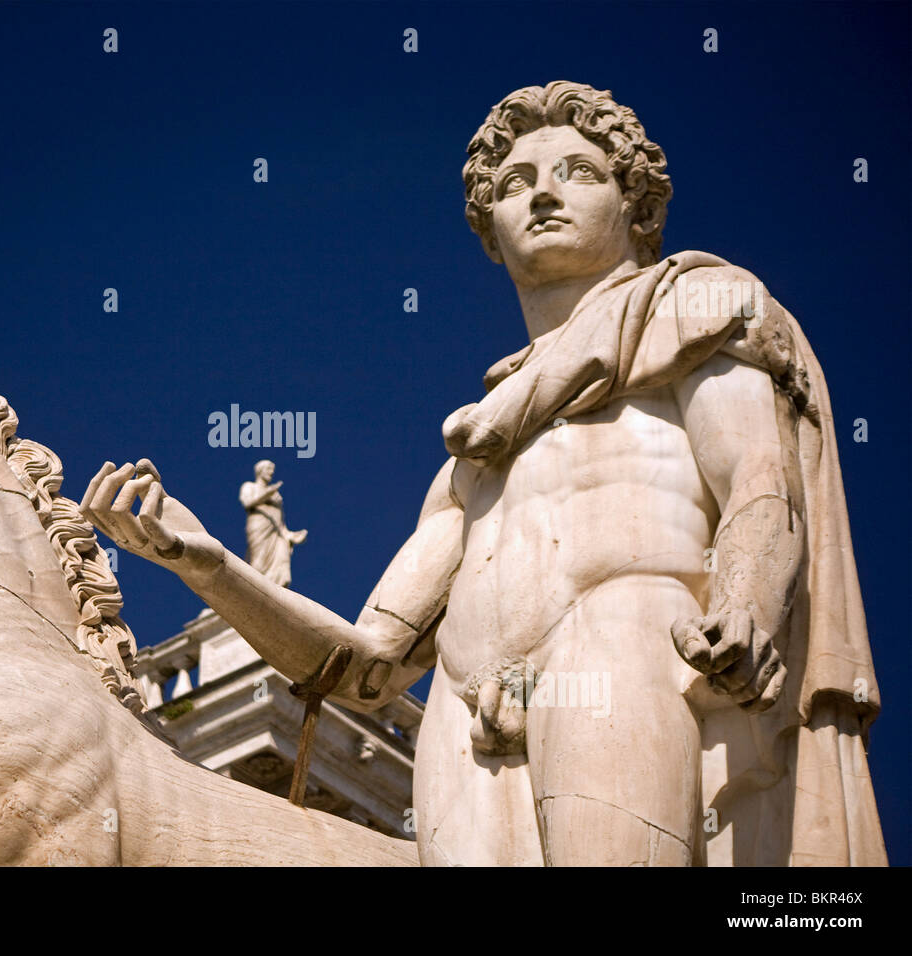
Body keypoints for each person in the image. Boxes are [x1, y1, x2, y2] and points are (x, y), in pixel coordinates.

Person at [82, 82, 885, 866]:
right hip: (464, 715)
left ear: (636, 207)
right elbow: (363, 669)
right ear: (491, 230)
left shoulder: (693, 315)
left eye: (578, 172)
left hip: (624, 645)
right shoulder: (477, 455)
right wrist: (206, 561)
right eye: (513, 185)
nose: (541, 196)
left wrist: (746, 602)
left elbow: (759, 484)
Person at [239, 460, 307, 588]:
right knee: (258, 562)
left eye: (272, 470)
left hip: (277, 532)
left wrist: (291, 535)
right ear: (260, 471)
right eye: (268, 469)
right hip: (259, 527)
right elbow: (247, 503)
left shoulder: (276, 494)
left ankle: (273, 594)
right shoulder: (250, 486)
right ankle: (250, 589)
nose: (271, 472)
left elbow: (280, 520)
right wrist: (267, 494)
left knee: (283, 566)